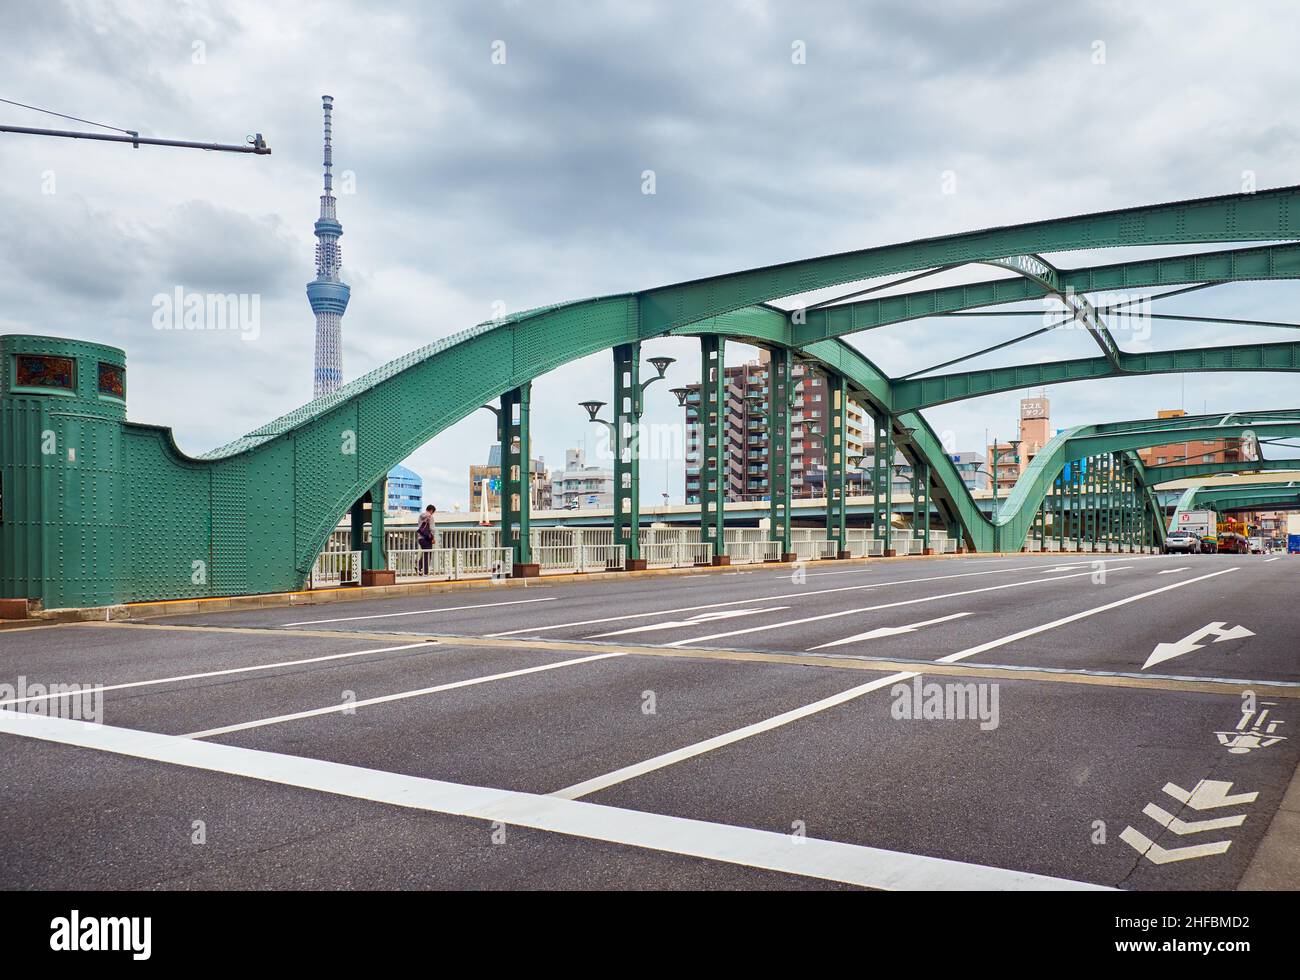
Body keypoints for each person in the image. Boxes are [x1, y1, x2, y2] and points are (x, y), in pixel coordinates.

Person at [417, 504, 437, 574]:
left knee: (425, 553)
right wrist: (433, 538)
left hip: (420, 538)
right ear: (431, 510)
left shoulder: (421, 516)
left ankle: (419, 567)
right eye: (433, 512)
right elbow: (432, 529)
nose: (432, 513)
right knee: (428, 554)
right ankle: (425, 572)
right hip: (427, 538)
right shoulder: (430, 517)